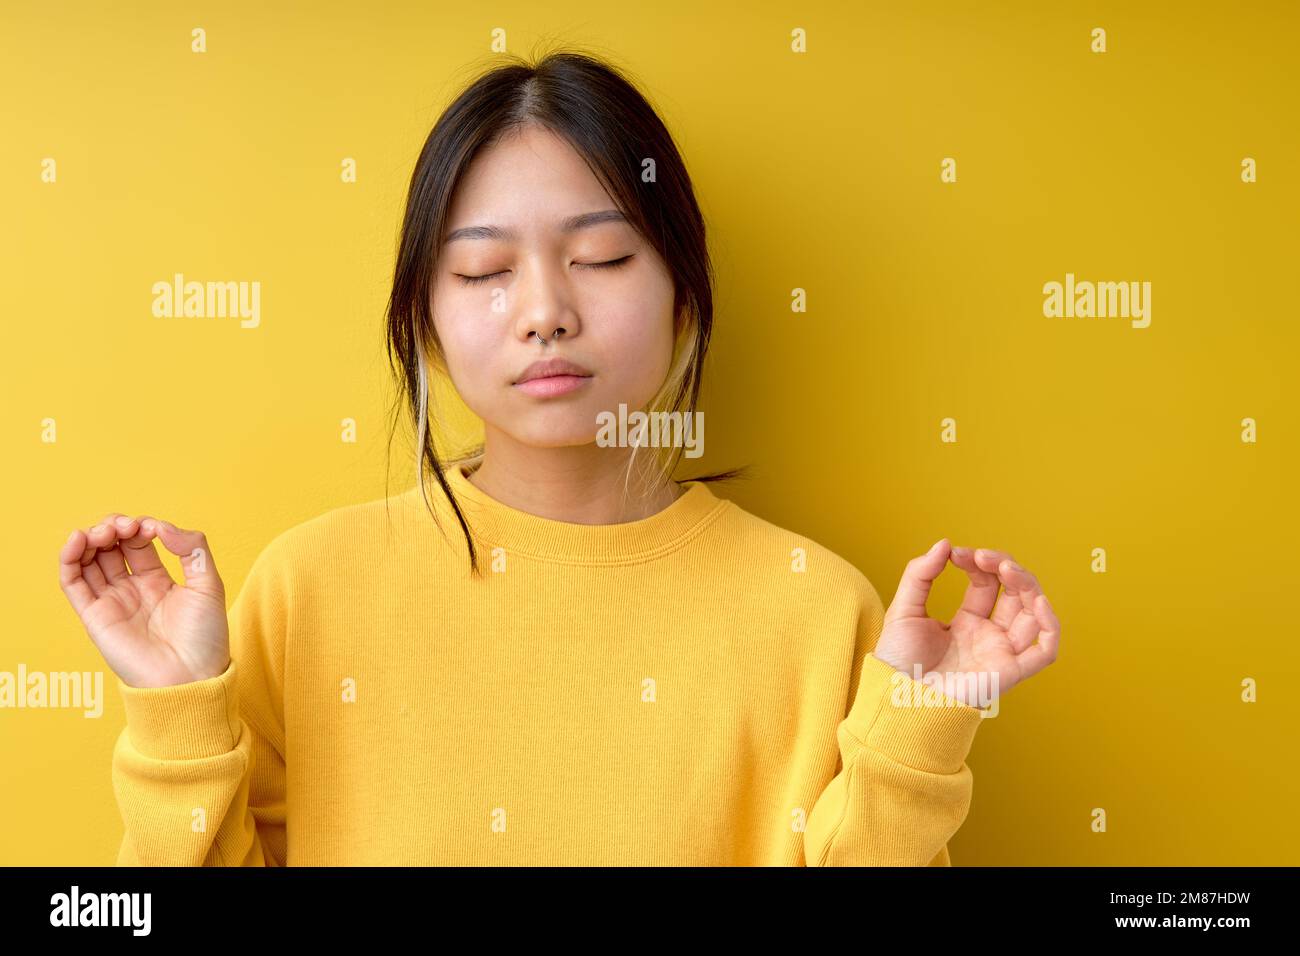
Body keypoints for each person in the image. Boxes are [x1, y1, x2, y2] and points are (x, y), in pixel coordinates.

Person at [56, 49, 1060, 866]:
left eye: (604, 258)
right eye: (484, 270)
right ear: (426, 317)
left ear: (682, 289)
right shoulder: (304, 588)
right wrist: (176, 713)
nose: (545, 312)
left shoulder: (817, 607)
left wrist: (924, 724)